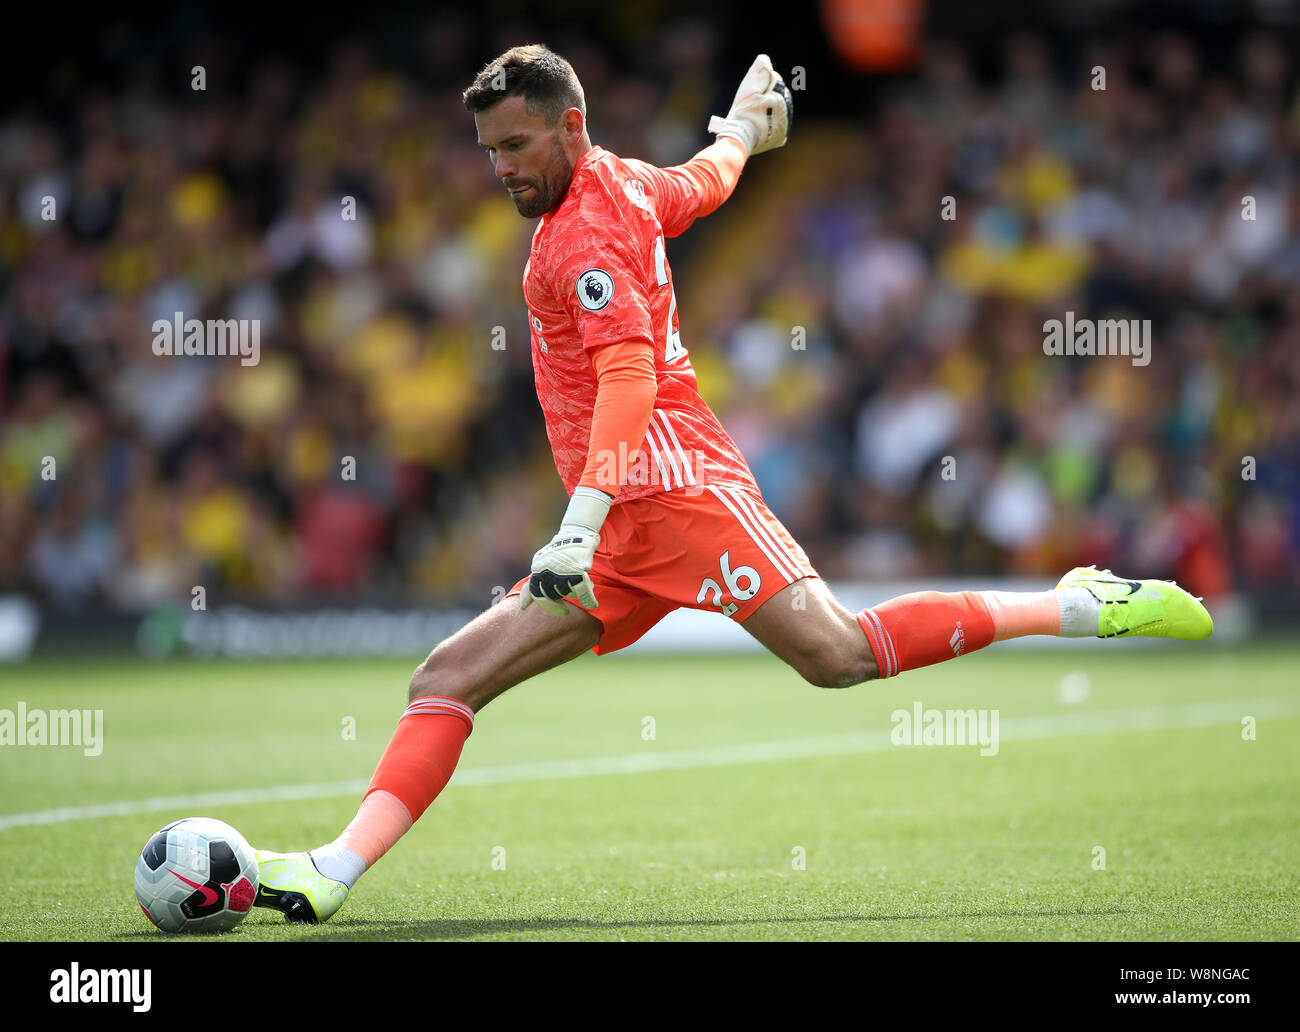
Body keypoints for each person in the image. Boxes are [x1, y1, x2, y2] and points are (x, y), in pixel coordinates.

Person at [252, 45, 1212, 924]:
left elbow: (629, 378)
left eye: (515, 143)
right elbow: (699, 187)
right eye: (489, 149)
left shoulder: (583, 234)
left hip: (674, 489)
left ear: (570, 127)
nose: (500, 166)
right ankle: (331, 873)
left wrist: (577, 525)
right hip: (620, 520)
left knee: (839, 654)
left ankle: (1073, 606)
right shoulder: (620, 181)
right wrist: (743, 130)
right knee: (449, 678)